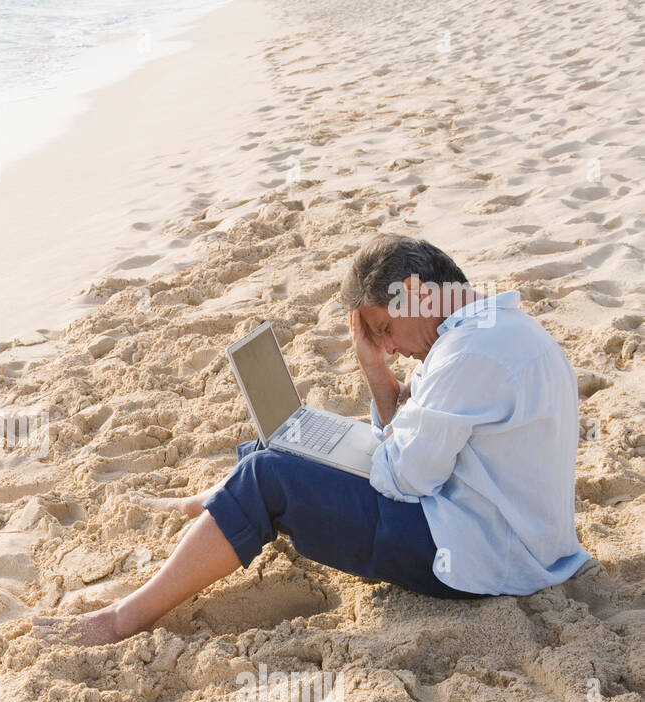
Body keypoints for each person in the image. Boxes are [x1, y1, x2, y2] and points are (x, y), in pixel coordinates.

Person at [35, 235, 590, 646]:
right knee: (276, 450)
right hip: (511, 533)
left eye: (382, 329)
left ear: (418, 295)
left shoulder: (467, 356)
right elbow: (415, 447)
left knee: (271, 475)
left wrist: (373, 418)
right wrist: (377, 384)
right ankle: (215, 508)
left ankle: (123, 618)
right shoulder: (492, 331)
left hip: (484, 559)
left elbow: (406, 477)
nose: (387, 347)